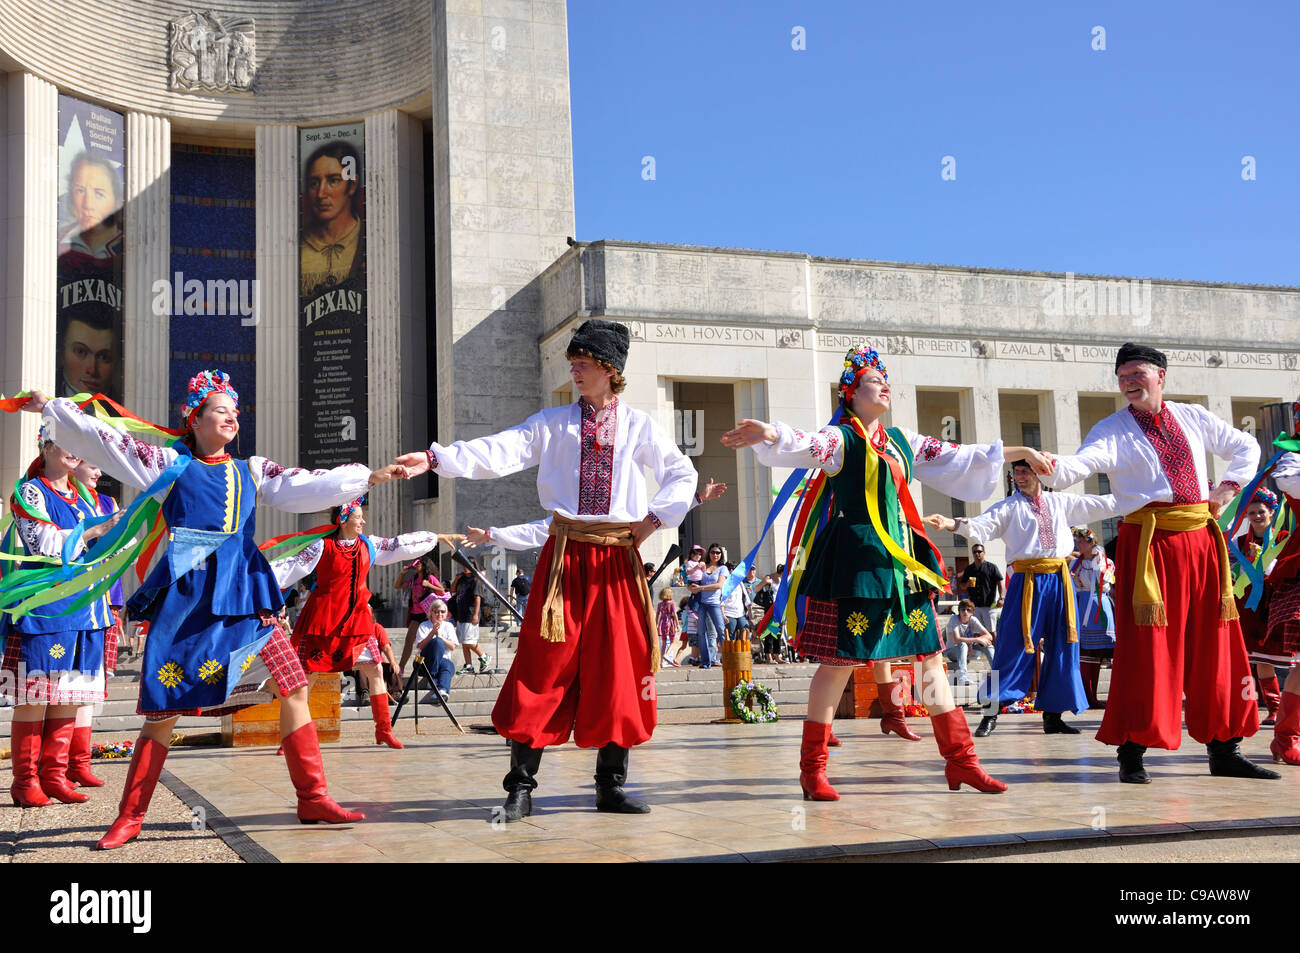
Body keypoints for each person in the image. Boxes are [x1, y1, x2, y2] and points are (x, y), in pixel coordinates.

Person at [17, 371, 405, 847]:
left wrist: (368, 476)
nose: (231, 416)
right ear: (194, 418)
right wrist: (55, 408)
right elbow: (106, 440)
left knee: (295, 686)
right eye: (220, 409)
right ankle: (131, 816)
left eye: (235, 412)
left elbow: (306, 484)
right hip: (190, 597)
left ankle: (312, 796)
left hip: (246, 591)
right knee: (164, 709)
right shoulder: (165, 463)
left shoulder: (254, 470)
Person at [394, 318, 697, 821]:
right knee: (544, 663)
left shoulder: (641, 425)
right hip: (565, 559)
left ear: (610, 369)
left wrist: (654, 520)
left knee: (618, 666)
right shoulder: (553, 422)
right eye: (574, 362)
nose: (575, 370)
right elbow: (500, 449)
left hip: (617, 560)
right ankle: (520, 787)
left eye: (585, 362)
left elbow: (681, 473)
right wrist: (435, 458)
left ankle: (610, 785)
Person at [723, 342, 1050, 799]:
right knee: (838, 665)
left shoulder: (901, 441)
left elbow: (963, 454)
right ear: (851, 392)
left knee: (931, 659)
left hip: (901, 563)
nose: (885, 386)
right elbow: (806, 443)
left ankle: (962, 762)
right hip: (857, 563)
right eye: (876, 381)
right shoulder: (842, 440)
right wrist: (771, 434)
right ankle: (812, 770)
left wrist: (1025, 451)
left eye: (886, 380)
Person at [1039, 342, 1278, 783]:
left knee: (1218, 642)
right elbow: (1079, 465)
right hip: (1150, 546)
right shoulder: (1113, 429)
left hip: (1202, 540)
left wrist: (1226, 488)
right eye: (1123, 376)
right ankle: (1132, 752)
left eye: (1138, 374)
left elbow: (1245, 445)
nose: (1130, 382)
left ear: (1160, 376)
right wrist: (1049, 465)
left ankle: (1224, 748)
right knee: (1149, 648)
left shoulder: (1192, 416)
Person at [927, 460, 1117, 736]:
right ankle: (990, 713)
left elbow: (1097, 505)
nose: (1021, 477)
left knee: (1064, 645)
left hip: (1060, 580)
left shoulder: (1059, 502)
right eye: (1016, 473)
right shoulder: (1009, 507)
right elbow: (981, 524)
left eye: (1026, 471)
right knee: (1013, 645)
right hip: (1027, 580)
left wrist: (1136, 496)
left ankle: (1053, 715)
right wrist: (951, 523)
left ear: (1039, 474)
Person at [269, 498, 457, 749]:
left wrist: (434, 536)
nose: (363, 521)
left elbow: (396, 544)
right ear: (343, 520)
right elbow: (289, 567)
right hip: (323, 620)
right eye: (358, 517)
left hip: (357, 621)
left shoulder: (368, 544)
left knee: (376, 670)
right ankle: (291, 740)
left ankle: (383, 730)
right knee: (306, 679)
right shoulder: (320, 547)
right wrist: (253, 580)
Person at [1, 426, 119, 807]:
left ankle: (54, 775)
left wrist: (120, 530)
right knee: (36, 695)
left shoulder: (83, 495)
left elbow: (108, 547)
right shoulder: (31, 491)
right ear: (47, 446)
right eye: (65, 443)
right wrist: (95, 530)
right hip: (47, 606)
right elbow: (46, 545)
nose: (74, 452)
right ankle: (24, 781)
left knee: (70, 693)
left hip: (87, 606)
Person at [66, 459, 126, 788]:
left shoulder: (108, 502)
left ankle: (79, 761)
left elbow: (122, 545)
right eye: (92, 464)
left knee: (91, 680)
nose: (100, 473)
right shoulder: (60, 498)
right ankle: (58, 760)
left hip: (105, 596)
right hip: (72, 595)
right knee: (63, 679)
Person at [1233, 487, 1285, 725]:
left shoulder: (1284, 537)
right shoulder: (1240, 542)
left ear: (1271, 513)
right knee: (1260, 657)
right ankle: (1274, 709)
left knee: (1289, 657)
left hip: (1278, 601)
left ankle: (1289, 706)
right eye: (1252, 512)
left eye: (1261, 511)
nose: (1256, 516)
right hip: (1250, 603)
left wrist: (1268, 563)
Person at [299, 141, 364, 298]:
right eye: (314, 183)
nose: (321, 193)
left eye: (333, 180)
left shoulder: (367, 240)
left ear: (352, 185)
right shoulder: (299, 245)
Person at [1071, 526, 1117, 710]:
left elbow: (1107, 581)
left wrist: (1098, 559)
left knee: (1107, 651)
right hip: (1083, 607)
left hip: (1100, 606)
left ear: (1091, 542)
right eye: (1078, 541)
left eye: (1082, 541)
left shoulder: (1104, 562)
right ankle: (1088, 696)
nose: (1078, 545)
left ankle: (1116, 695)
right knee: (1086, 653)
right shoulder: (1076, 564)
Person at [395, 550, 446, 675]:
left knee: (426, 642)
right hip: (415, 614)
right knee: (409, 640)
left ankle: (430, 667)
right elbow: (398, 586)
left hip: (428, 615)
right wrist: (402, 574)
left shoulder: (430, 578)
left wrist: (429, 584)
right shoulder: (413, 580)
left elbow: (442, 591)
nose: (416, 566)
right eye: (415, 564)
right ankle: (400, 668)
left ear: (424, 565)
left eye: (418, 564)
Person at [688, 544, 729, 667]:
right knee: (701, 632)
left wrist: (701, 588)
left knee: (720, 631)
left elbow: (719, 585)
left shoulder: (723, 568)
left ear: (721, 555)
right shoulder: (703, 566)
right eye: (712, 552)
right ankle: (706, 661)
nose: (715, 555)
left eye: (718, 552)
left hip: (715, 603)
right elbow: (693, 579)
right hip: (702, 603)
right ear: (709, 553)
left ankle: (727, 659)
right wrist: (691, 588)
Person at [448, 559, 490, 674]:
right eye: (464, 565)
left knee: (468, 640)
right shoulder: (461, 579)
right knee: (463, 641)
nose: (465, 568)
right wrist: (457, 578)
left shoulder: (476, 580)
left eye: (468, 566)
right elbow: (452, 590)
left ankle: (484, 656)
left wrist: (476, 614)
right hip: (461, 613)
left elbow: (478, 598)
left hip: (470, 614)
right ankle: (469, 665)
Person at [940, 599, 994, 686]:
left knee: (988, 645)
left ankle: (997, 671)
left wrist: (977, 641)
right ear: (959, 611)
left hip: (969, 651)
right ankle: (962, 677)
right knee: (963, 645)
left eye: (968, 610)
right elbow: (957, 639)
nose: (965, 612)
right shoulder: (954, 619)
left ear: (972, 613)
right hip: (952, 651)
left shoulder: (973, 619)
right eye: (963, 609)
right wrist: (977, 640)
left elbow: (989, 636)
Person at [413, 600, 459, 700]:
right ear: (431, 612)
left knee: (448, 666)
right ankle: (432, 678)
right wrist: (432, 633)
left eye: (442, 612)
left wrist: (440, 637)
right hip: (423, 661)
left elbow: (452, 647)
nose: (439, 614)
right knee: (437, 642)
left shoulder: (449, 626)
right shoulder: (424, 625)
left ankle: (442, 691)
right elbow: (420, 646)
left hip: (442, 661)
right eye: (436, 611)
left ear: (446, 613)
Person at [958, 545, 1004, 635]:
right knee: (976, 632)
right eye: (974, 552)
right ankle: (977, 649)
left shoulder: (991, 567)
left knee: (991, 631)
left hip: (989, 605)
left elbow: (1000, 581)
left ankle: (996, 649)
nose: (977, 554)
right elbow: (962, 586)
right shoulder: (969, 569)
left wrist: (1002, 597)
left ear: (984, 553)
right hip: (974, 606)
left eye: (979, 551)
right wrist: (967, 584)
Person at [656, 587, 681, 667]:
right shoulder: (672, 603)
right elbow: (675, 614)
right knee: (672, 641)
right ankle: (666, 654)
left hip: (662, 623)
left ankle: (662, 662)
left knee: (663, 643)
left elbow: (657, 615)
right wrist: (677, 625)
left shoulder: (660, 604)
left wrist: (656, 624)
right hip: (670, 623)